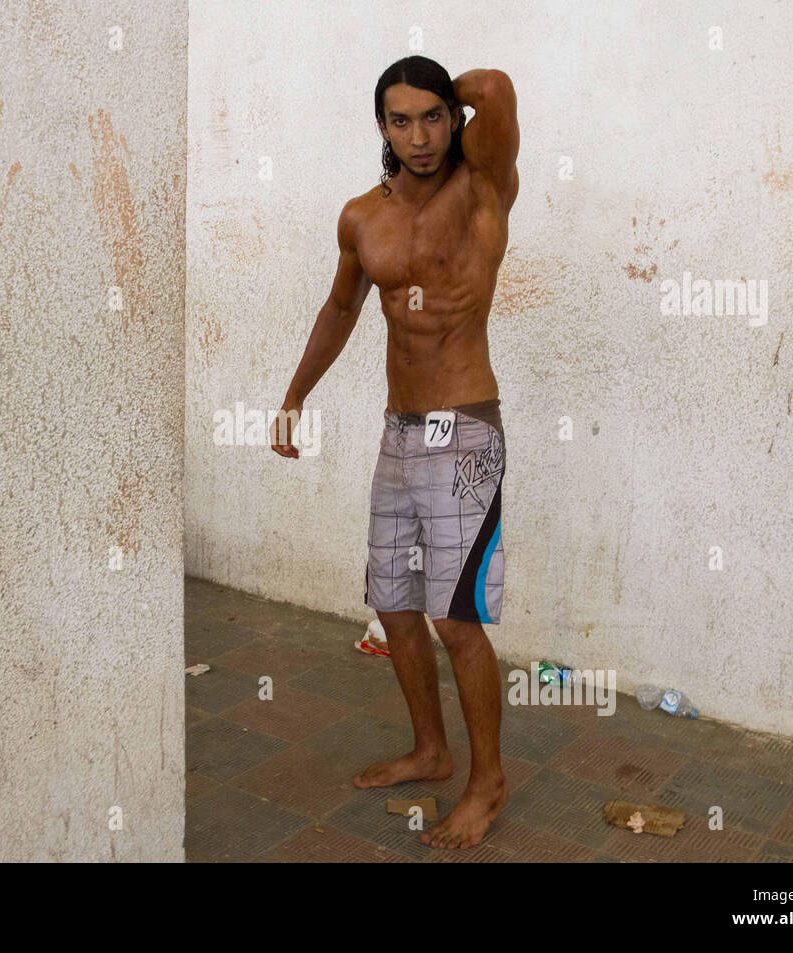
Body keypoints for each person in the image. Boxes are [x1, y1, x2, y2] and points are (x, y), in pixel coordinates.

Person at [271, 56, 520, 849]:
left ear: (453, 118)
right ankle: (431, 747)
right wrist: (293, 395)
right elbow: (341, 306)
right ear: (380, 126)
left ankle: (489, 780)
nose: (420, 136)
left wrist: (457, 89)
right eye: (401, 120)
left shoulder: (483, 190)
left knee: (458, 620)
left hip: (464, 429)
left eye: (434, 116)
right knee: (393, 603)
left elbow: (497, 88)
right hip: (400, 432)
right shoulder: (361, 218)